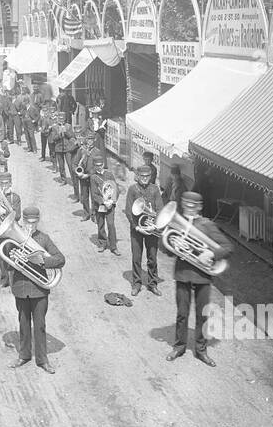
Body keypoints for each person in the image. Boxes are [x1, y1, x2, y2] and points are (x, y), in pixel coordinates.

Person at [166, 192, 232, 367]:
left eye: (192, 204)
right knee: (182, 314)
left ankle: (201, 350)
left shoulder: (207, 225)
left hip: (202, 277)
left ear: (200, 206)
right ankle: (179, 347)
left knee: (202, 316)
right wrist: (174, 246)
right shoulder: (175, 223)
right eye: (186, 203)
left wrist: (211, 253)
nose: (188, 206)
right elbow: (163, 248)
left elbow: (228, 247)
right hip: (182, 274)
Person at [0, 206, 65, 374]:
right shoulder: (14, 239)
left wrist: (42, 261)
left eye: (34, 222)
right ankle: (24, 355)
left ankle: (43, 360)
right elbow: (6, 262)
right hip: (20, 288)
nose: (31, 225)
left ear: (38, 220)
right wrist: (12, 256)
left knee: (40, 325)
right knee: (23, 323)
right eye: (28, 222)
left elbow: (60, 259)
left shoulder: (44, 239)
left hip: (39, 290)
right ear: (23, 221)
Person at [124, 163, 162, 296]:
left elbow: (159, 209)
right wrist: (137, 227)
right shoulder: (132, 189)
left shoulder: (155, 189)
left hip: (151, 229)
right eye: (142, 176)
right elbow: (128, 211)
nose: (145, 178)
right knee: (136, 258)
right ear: (137, 176)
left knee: (152, 258)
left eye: (147, 176)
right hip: (137, 229)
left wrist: (155, 224)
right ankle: (137, 284)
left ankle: (152, 284)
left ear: (150, 176)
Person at [90, 154, 119, 254]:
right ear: (94, 166)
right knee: (101, 224)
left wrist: (112, 201)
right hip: (100, 206)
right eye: (97, 165)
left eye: (100, 165)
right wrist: (103, 202)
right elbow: (94, 194)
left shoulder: (109, 175)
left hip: (110, 204)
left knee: (111, 225)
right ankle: (102, 243)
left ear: (103, 164)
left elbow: (115, 188)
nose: (99, 167)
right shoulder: (93, 177)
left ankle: (113, 246)